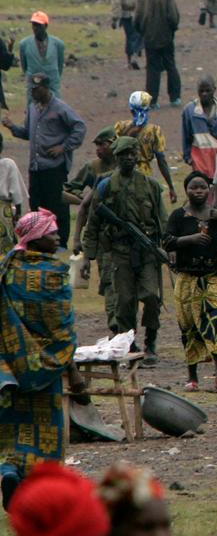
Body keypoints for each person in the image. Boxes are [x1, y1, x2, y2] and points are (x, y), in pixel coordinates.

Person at [0, 210, 86, 505]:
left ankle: (8, 471)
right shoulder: (53, 274)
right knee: (45, 432)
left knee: (10, 431)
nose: (58, 238)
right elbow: (61, 329)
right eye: (52, 233)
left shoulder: (7, 268)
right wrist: (73, 372)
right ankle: (37, 492)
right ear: (36, 238)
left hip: (11, 367)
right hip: (46, 370)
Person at [83, 136, 165, 363]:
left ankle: (151, 342)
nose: (129, 158)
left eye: (132, 153)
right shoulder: (106, 185)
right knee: (124, 301)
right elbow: (93, 221)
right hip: (119, 251)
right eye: (123, 154)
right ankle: (129, 343)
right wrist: (88, 256)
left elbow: (162, 221)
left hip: (146, 251)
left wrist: (167, 248)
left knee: (151, 296)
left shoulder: (150, 185)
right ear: (116, 157)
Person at [163, 171, 217, 393]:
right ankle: (192, 377)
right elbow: (167, 241)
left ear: (210, 190)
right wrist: (190, 239)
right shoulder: (178, 216)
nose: (198, 191)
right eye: (193, 187)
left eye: (202, 187)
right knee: (188, 327)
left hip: (214, 277)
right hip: (187, 279)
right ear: (186, 190)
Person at [3, 73, 85, 246]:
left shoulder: (60, 108)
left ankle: (60, 243)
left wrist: (63, 147)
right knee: (37, 205)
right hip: (36, 167)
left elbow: (79, 127)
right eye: (32, 89)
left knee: (57, 206)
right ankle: (39, 241)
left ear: (46, 88)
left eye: (37, 89)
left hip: (54, 167)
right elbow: (28, 133)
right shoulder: (33, 108)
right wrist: (12, 127)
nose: (33, 92)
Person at [113, 91, 176, 203]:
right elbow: (161, 160)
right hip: (145, 175)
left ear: (131, 110)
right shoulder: (155, 130)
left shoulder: (120, 127)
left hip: (122, 173)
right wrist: (171, 186)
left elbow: (114, 148)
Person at [180, 75, 217, 179]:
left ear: (214, 89)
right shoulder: (190, 110)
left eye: (208, 91)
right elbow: (186, 135)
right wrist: (188, 157)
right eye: (201, 91)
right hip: (200, 158)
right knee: (203, 185)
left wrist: (211, 122)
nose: (204, 94)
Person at [17, 13, 64, 102]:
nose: (35, 28)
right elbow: (24, 67)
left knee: (55, 107)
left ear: (45, 26)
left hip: (52, 85)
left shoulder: (58, 44)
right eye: (33, 25)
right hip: (34, 85)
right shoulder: (24, 44)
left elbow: (60, 65)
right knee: (33, 108)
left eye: (38, 25)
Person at [110, 0, 144, 70]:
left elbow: (116, 2)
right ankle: (136, 54)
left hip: (126, 15)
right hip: (139, 14)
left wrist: (115, 18)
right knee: (138, 35)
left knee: (129, 36)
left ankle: (129, 61)